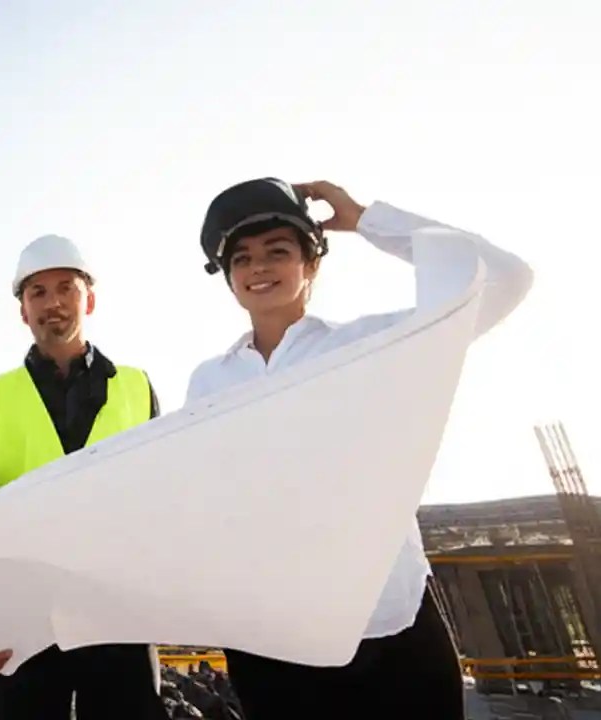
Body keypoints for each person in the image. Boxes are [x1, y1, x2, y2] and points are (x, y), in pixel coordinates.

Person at [185, 178, 534, 719]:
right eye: (242, 258)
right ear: (228, 277)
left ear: (312, 263)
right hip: (270, 637)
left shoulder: (370, 347)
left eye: (279, 251)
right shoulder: (210, 381)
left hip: (388, 626)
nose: (259, 268)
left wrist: (366, 218)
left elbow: (506, 278)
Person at [0, 234, 170, 720]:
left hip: (117, 613)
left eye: (65, 288)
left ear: (89, 299)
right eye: (37, 293)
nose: (52, 303)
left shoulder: (136, 387)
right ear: (23, 310)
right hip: (25, 617)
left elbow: (162, 500)